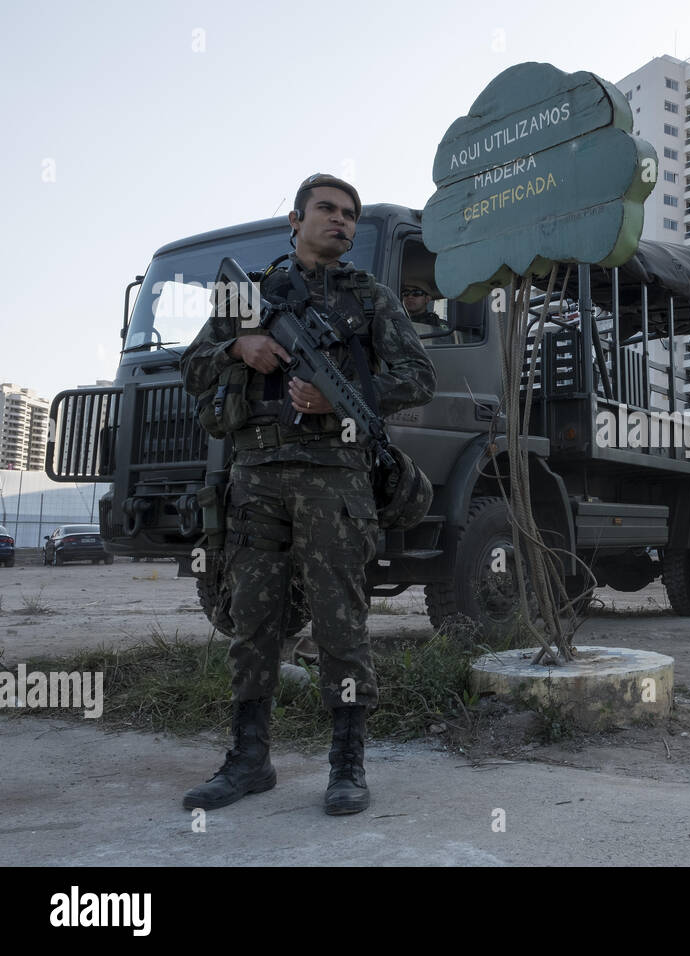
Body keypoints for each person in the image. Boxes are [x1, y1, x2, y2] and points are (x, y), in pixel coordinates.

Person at [180, 173, 435, 815]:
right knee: (252, 621)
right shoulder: (255, 293)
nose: (341, 221)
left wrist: (341, 392)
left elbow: (418, 378)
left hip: (335, 479)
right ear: (296, 220)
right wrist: (243, 345)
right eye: (327, 210)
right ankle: (248, 760)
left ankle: (347, 764)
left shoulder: (370, 297)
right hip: (256, 477)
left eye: (350, 214)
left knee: (340, 623)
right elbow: (193, 366)